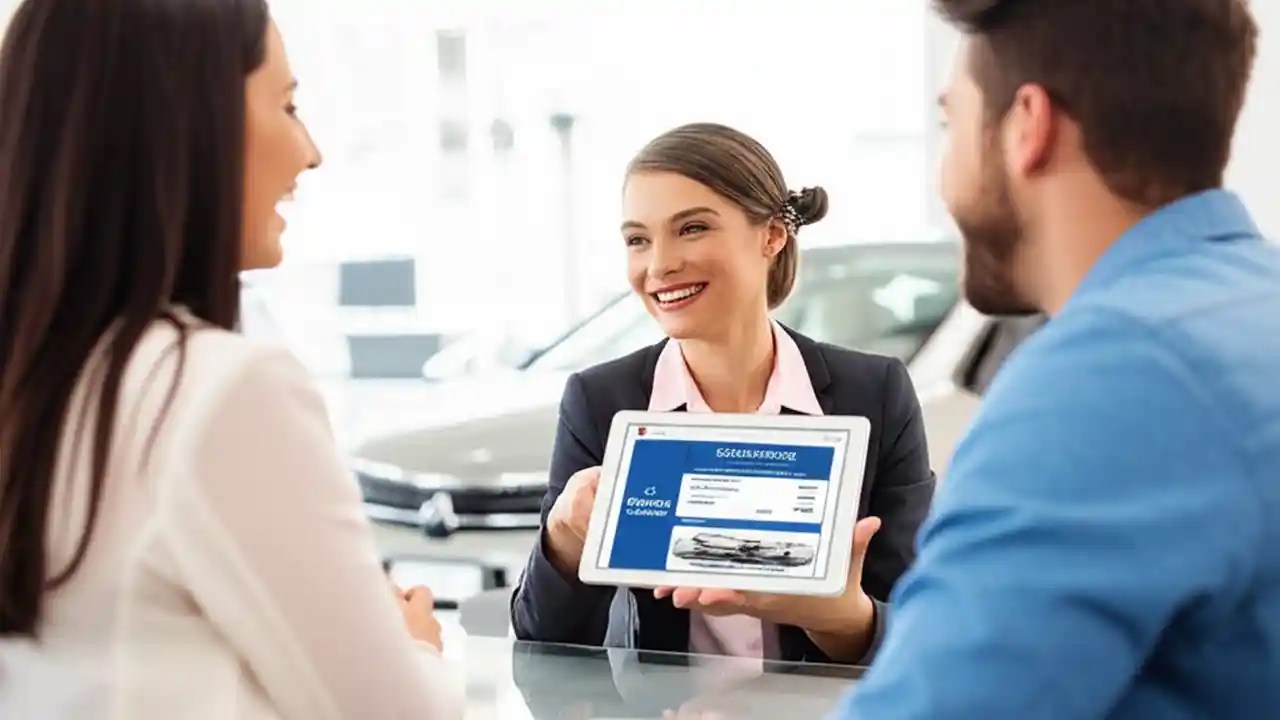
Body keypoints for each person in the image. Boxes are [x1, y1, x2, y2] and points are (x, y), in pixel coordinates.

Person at [0, 2, 462, 718]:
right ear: (187, 127)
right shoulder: (218, 391)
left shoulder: (39, 386)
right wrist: (416, 648)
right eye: (288, 104)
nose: (311, 151)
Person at [839, 0, 1280, 718]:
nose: (941, 175)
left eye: (951, 125)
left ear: (1027, 127)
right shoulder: (1253, 306)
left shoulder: (1112, 375)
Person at [511, 122, 936, 664]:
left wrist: (841, 616)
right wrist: (564, 539)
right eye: (638, 239)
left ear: (772, 236)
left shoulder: (874, 394)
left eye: (691, 228)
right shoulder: (600, 402)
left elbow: (918, 636)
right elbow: (543, 647)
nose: (659, 264)